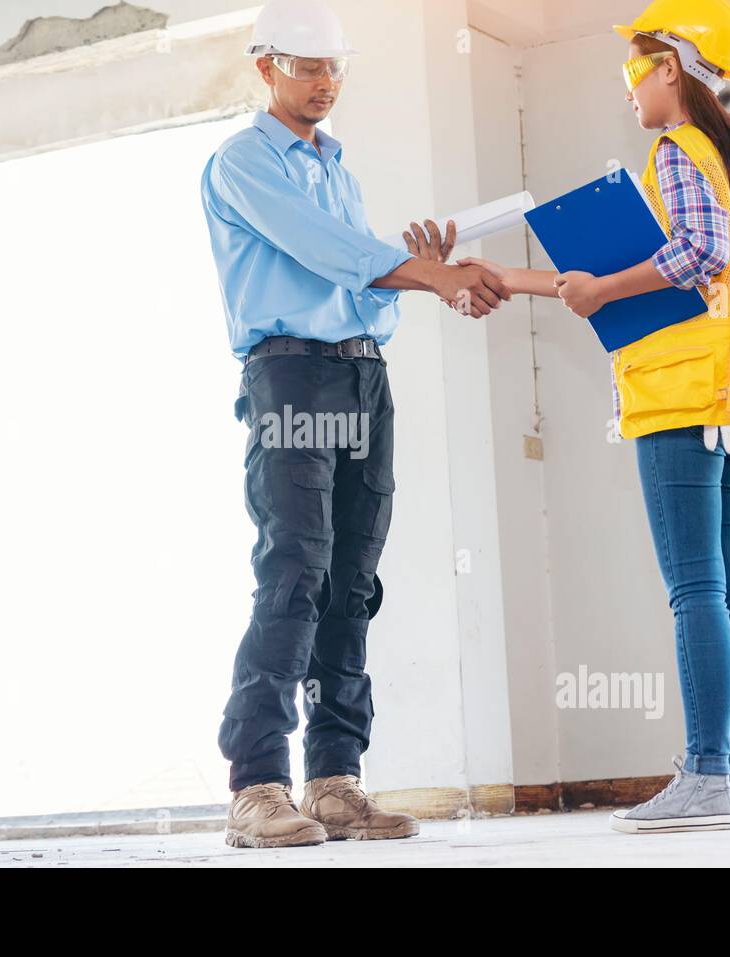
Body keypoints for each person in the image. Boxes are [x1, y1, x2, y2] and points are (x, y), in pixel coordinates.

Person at [462, 0, 730, 833]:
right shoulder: (727, 155)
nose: (629, 84)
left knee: (696, 592)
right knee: (729, 591)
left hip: (681, 399)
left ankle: (706, 774)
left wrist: (603, 288)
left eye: (635, 66)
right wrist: (518, 277)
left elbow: (696, 257)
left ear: (670, 67)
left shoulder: (675, 150)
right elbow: (687, 261)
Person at [200, 0, 511, 849]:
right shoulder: (241, 164)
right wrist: (431, 275)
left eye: (334, 68)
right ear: (266, 67)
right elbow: (329, 255)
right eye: (307, 68)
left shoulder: (338, 169)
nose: (324, 82)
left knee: (354, 580)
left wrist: (419, 269)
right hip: (291, 375)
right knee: (296, 566)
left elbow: (361, 291)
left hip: (361, 375)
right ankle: (258, 783)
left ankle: (335, 779)